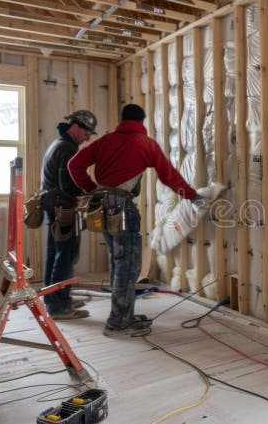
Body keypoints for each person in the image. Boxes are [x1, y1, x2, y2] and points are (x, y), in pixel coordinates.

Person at [68, 104, 201, 337]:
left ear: (123, 119)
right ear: (142, 121)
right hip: (122, 207)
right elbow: (169, 175)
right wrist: (192, 196)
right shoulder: (144, 143)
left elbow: (74, 164)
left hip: (103, 206)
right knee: (127, 266)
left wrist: (92, 189)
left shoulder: (105, 141)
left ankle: (123, 315)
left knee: (117, 262)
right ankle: (119, 323)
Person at [40, 110, 97, 320]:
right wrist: (89, 194)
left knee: (56, 255)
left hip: (53, 206)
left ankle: (56, 299)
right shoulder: (68, 148)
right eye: (87, 132)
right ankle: (58, 307)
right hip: (62, 208)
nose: (88, 138)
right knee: (65, 256)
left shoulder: (59, 144)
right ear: (76, 127)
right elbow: (68, 186)